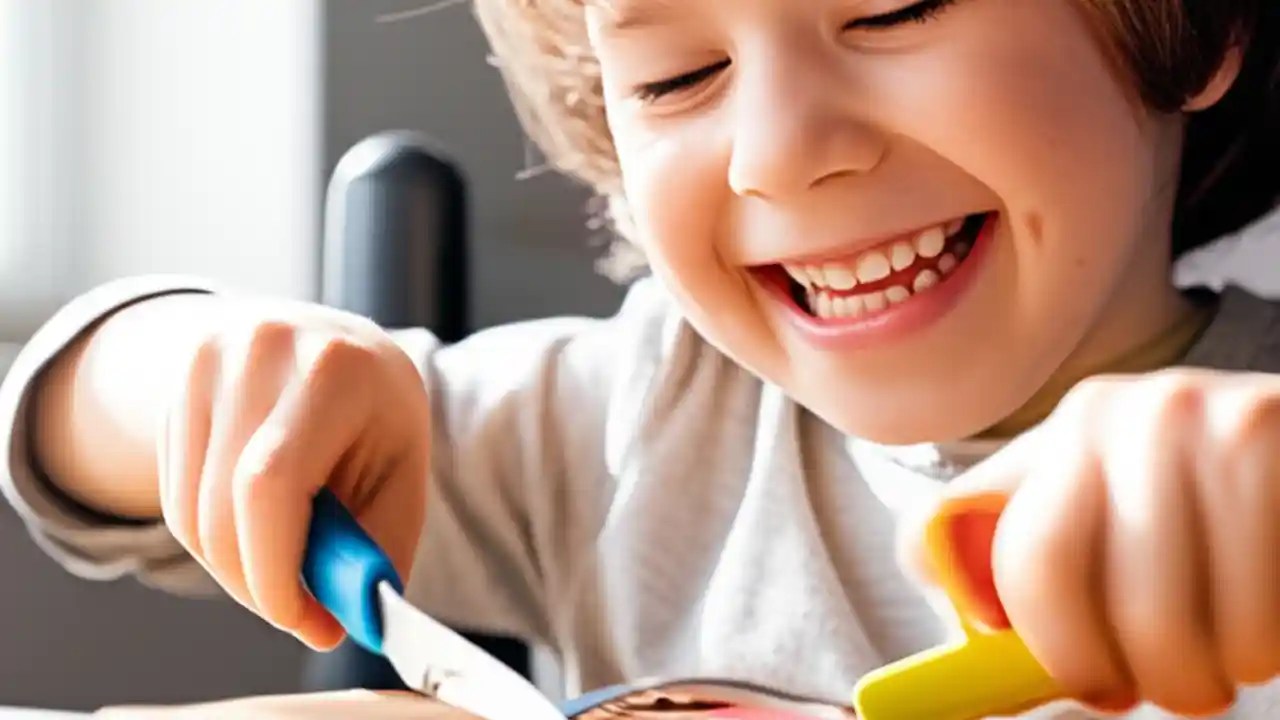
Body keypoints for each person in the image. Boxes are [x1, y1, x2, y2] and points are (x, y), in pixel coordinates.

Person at [3, 0, 1279, 717]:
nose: (775, 153)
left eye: (892, 5)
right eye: (676, 79)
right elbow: (61, 435)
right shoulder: (633, 423)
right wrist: (191, 369)